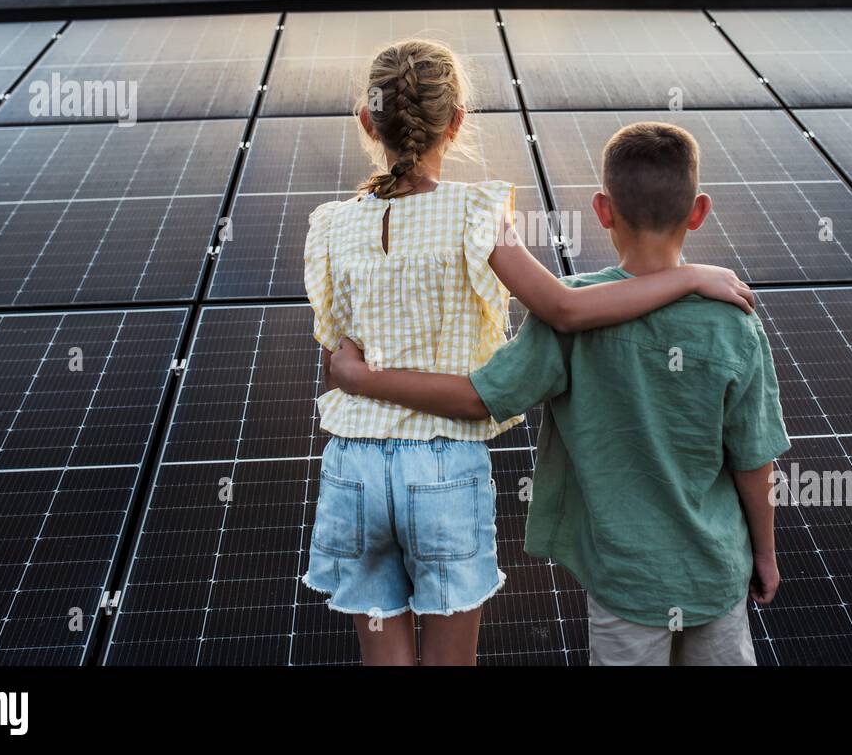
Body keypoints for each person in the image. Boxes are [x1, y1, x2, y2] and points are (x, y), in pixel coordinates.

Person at [302, 40, 757, 666]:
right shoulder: (474, 212)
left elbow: (335, 357)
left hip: (353, 468)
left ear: (366, 121)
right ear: (458, 122)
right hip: (442, 465)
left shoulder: (329, 225)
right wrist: (686, 277)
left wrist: (357, 377)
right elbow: (564, 308)